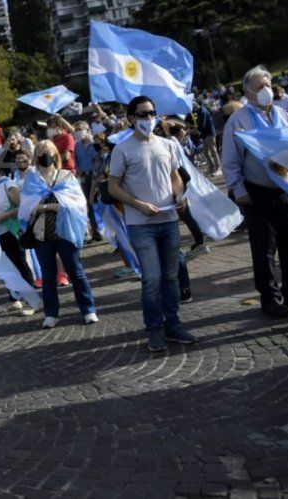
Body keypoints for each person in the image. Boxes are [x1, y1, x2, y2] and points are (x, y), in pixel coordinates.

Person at [223, 65, 288, 318]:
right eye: (259, 87)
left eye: (268, 86)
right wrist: (238, 190)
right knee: (264, 247)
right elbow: (231, 160)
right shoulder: (238, 120)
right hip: (258, 191)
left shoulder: (283, 115)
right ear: (248, 92)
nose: (265, 91)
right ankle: (269, 297)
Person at [108, 96, 197, 351]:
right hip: (140, 224)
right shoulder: (122, 149)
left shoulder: (167, 145)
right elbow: (113, 187)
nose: (148, 118)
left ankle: (174, 324)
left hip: (169, 219)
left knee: (170, 278)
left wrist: (179, 195)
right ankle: (154, 328)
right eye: (143, 114)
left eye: (152, 113)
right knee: (151, 279)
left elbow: (175, 177)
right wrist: (137, 205)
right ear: (131, 118)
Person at [20, 140, 97, 328]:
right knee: (48, 275)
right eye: (39, 151)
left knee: (75, 271)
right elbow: (26, 208)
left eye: (47, 151)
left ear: (55, 154)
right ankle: (51, 314)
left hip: (65, 231)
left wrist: (47, 206)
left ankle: (88, 309)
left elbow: (77, 203)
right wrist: (43, 207)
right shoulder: (31, 179)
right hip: (42, 234)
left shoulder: (66, 177)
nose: (43, 154)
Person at [0, 156, 38, 316]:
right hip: (0, 232)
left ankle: (32, 301)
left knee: (20, 265)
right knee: (9, 265)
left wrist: (2, 218)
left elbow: (22, 207)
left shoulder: (8, 184)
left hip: (12, 231)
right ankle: (14, 299)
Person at [74, 123, 102, 242]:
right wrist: (79, 172)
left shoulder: (95, 143)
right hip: (84, 176)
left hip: (97, 176)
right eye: (76, 130)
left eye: (80, 129)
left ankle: (112, 232)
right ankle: (96, 231)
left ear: (87, 130)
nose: (78, 132)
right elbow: (76, 160)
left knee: (101, 202)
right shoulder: (77, 145)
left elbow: (100, 159)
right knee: (89, 204)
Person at [191, 100, 221, 176]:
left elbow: (202, 125)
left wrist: (195, 130)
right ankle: (211, 167)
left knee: (213, 151)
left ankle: (218, 168)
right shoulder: (198, 111)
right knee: (205, 152)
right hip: (204, 134)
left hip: (209, 133)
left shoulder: (202, 111)